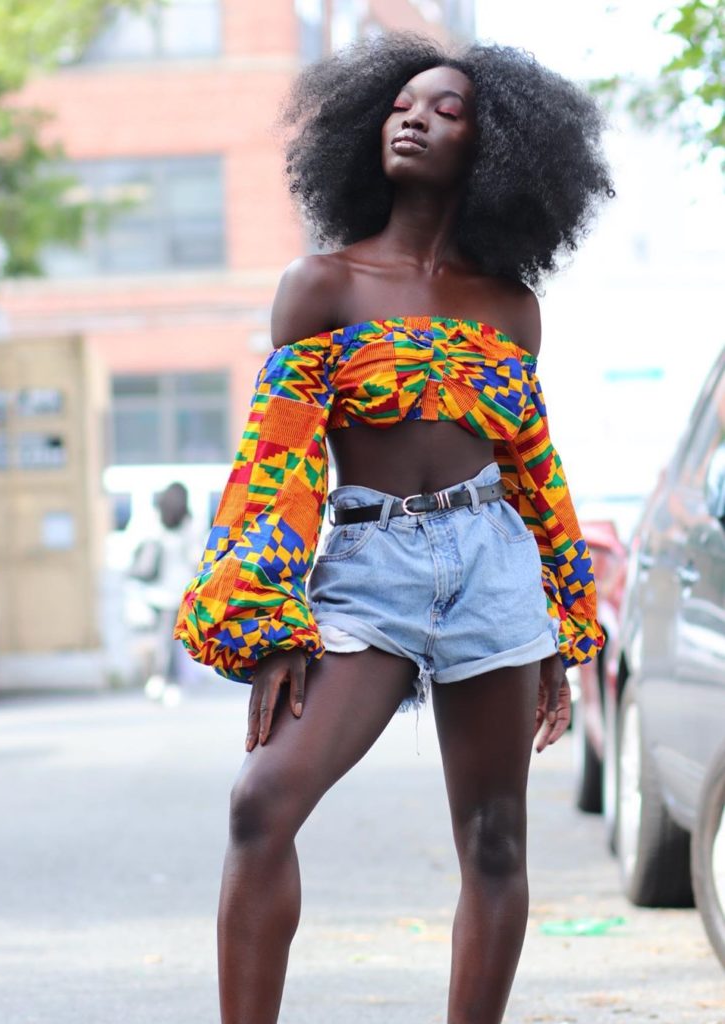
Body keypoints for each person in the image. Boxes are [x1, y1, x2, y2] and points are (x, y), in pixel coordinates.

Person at [175, 34, 612, 1024]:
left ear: (491, 147)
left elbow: (532, 468)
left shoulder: (510, 309)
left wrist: (562, 624)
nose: (412, 116)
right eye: (401, 102)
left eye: (445, 108)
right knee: (260, 804)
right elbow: (277, 465)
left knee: (497, 841)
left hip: (494, 568)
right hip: (370, 565)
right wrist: (272, 620)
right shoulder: (319, 289)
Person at [129, 481, 200, 701]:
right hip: (177, 593)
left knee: (161, 638)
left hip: (153, 592)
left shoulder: (153, 521)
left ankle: (160, 680)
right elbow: (195, 559)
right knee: (169, 640)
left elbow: (137, 548)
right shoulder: (188, 525)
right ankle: (163, 680)